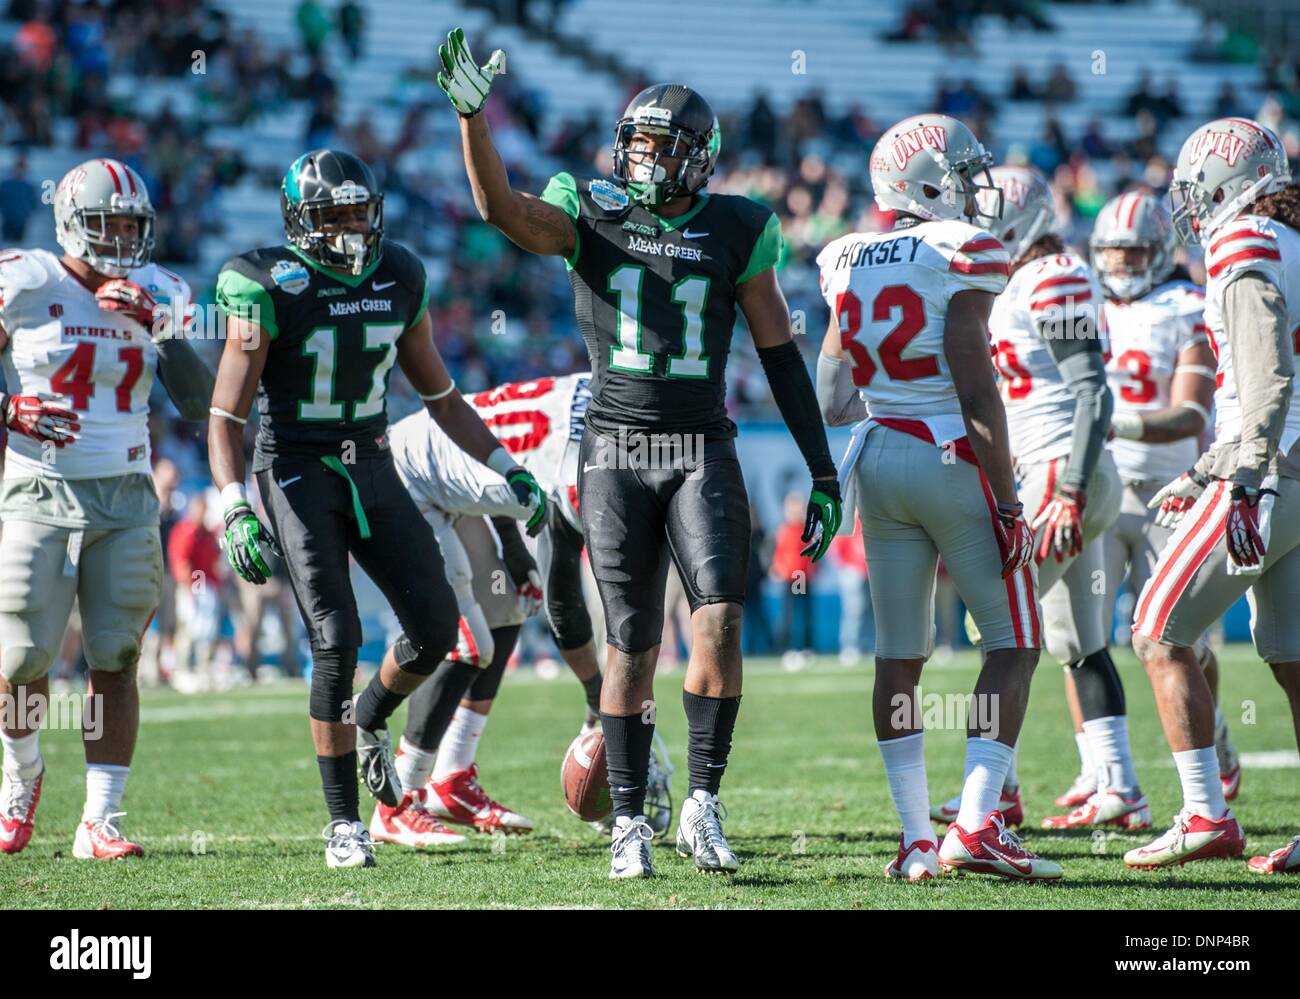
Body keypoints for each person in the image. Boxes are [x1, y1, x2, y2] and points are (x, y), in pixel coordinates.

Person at [436, 28, 841, 878]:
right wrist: (474, 120)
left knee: (722, 623)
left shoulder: (739, 227)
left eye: (660, 145)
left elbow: (778, 353)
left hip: (702, 446)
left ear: (698, 157)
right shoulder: (590, 208)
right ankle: (629, 821)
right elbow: (501, 210)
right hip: (616, 447)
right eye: (637, 142)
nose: (643, 158)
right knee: (631, 647)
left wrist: (823, 465)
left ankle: (701, 801)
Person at [207, 149, 545, 868]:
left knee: (433, 628)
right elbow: (225, 417)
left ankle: (368, 718)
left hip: (371, 458)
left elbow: (443, 398)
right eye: (336, 215)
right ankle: (345, 822)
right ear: (302, 222)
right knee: (336, 637)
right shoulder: (266, 283)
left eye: (361, 211)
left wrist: (506, 467)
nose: (353, 227)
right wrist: (235, 505)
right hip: (296, 467)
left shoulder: (400, 274)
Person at [817, 114, 1049, 881]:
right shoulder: (958, 251)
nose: (978, 187)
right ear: (925, 181)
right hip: (951, 456)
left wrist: (893, 391)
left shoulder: (844, 255)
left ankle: (918, 838)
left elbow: (831, 393)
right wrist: (1010, 501)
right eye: (964, 171)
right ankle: (978, 820)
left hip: (878, 457)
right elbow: (978, 383)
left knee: (899, 655)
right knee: (1014, 642)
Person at [0, 158, 214, 858]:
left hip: (125, 492)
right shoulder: (26, 279)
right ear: (69, 224)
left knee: (116, 655)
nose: (122, 239)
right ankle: (23, 769)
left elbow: (198, 402)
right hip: (39, 485)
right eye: (106, 224)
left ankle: (101, 819)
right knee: (21, 659)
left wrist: (164, 330)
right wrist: (11, 407)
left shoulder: (165, 290)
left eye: (132, 225)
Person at [387, 372, 674, 839]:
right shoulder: (584, 466)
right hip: (414, 476)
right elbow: (564, 605)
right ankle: (398, 796)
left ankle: (452, 780)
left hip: (463, 478)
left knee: (509, 605)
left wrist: (515, 554)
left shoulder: (600, 388)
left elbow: (506, 455)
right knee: (468, 641)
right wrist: (596, 692)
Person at [933, 165, 1134, 831]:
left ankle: (994, 796)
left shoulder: (1053, 274)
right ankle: (1119, 784)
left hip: (1058, 470)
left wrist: (1071, 488)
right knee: (1077, 638)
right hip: (1060, 469)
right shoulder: (1025, 278)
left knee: (996, 629)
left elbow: (1093, 391)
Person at [1129, 119, 1300, 873]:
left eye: (1199, 193)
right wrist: (1202, 471)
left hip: (1270, 473)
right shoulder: (1288, 240)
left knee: (1159, 631)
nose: (1193, 210)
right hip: (1288, 466)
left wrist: (1244, 476)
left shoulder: (1245, 243)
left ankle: (1206, 813)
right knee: (1294, 659)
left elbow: (1265, 380)